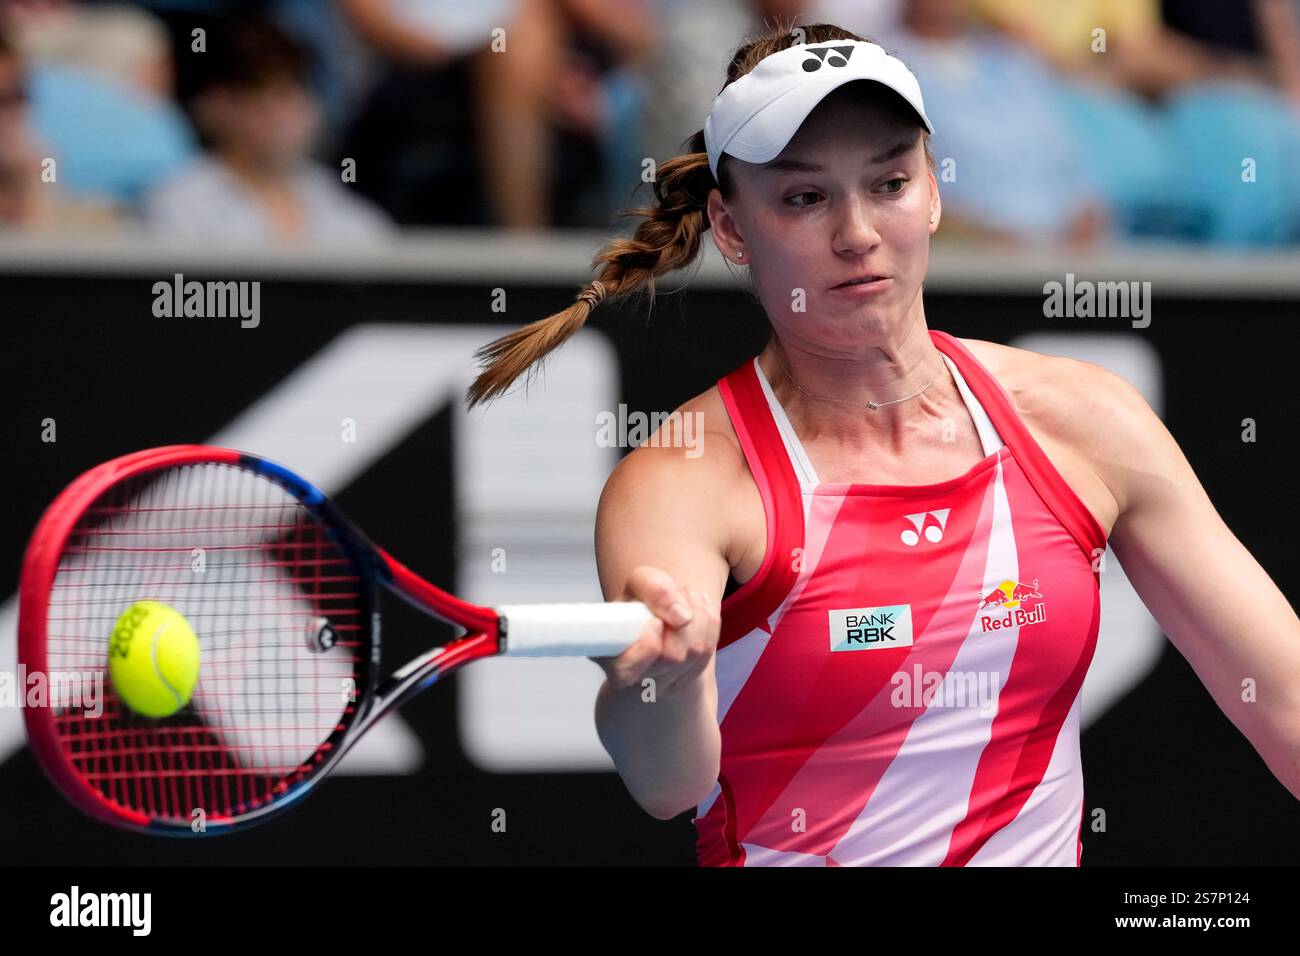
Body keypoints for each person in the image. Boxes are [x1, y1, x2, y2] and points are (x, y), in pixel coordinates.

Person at [465, 23, 1300, 865]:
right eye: (804, 197)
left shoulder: (1087, 419)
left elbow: (1285, 704)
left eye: (889, 182)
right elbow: (665, 784)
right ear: (730, 227)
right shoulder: (682, 479)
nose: (858, 232)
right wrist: (662, 681)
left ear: (933, 190)